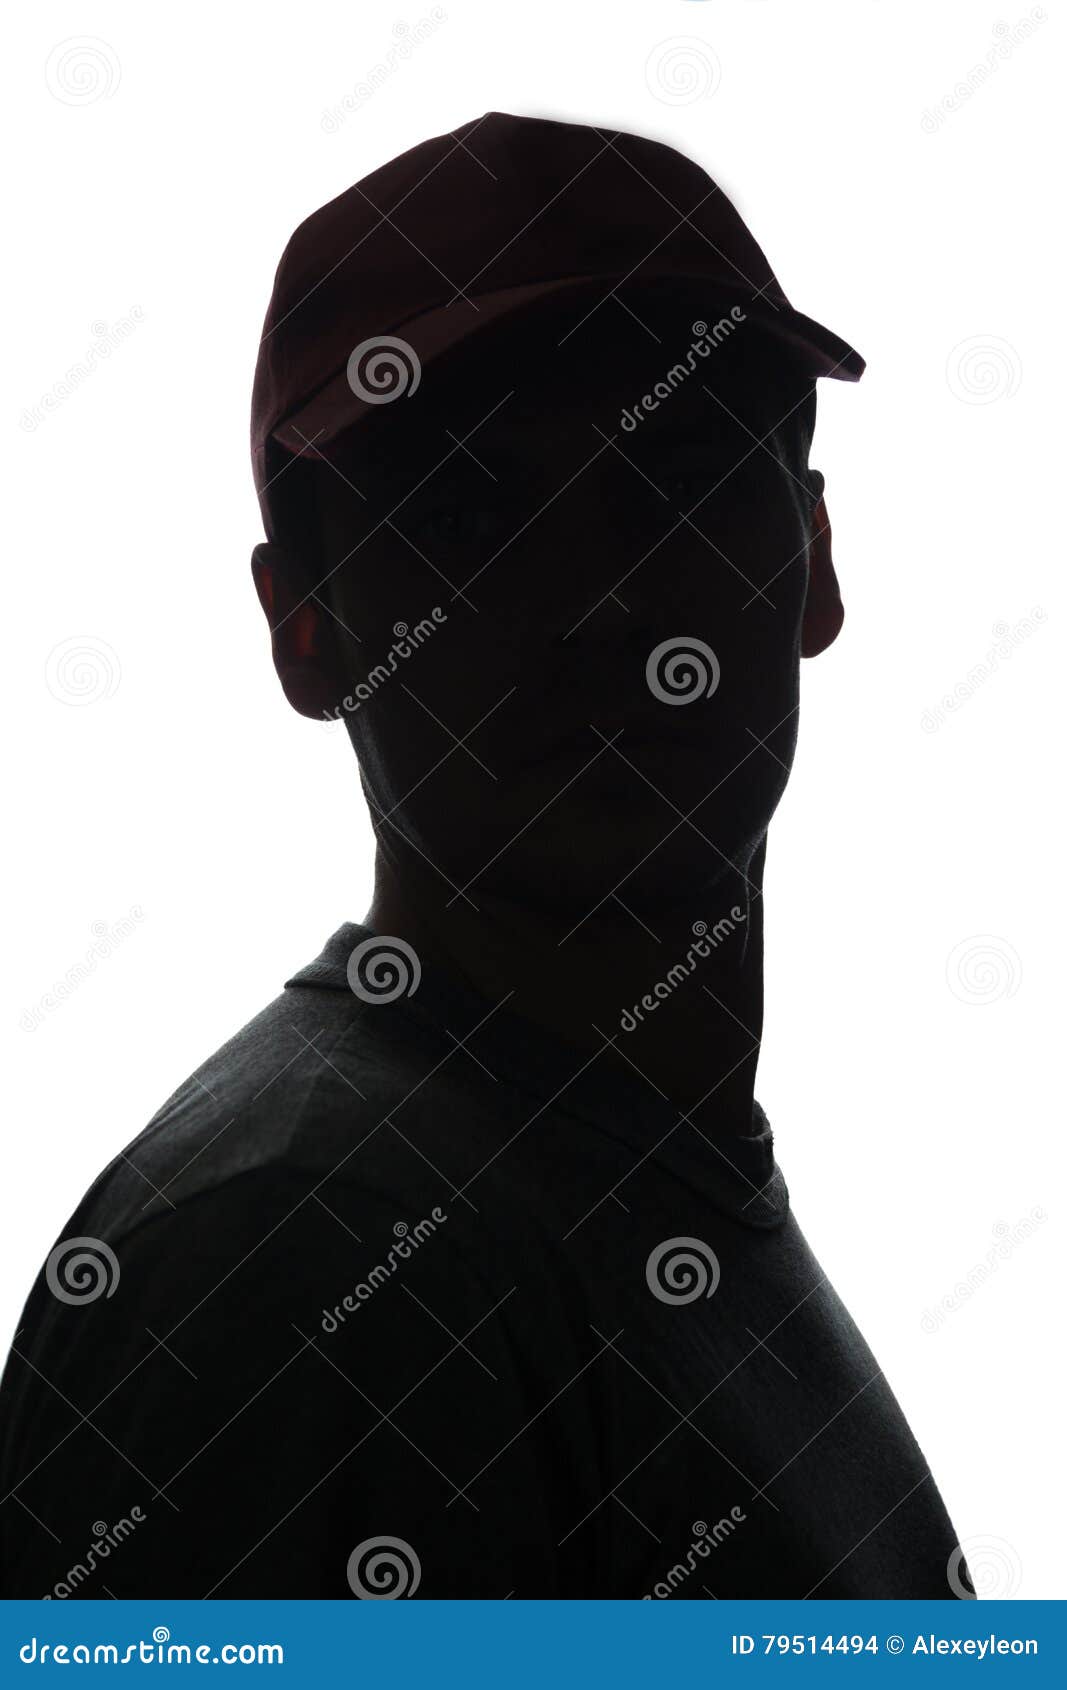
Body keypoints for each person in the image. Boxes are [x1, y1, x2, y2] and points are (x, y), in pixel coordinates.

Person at [0, 112, 969, 1599]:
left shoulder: (624, 1177)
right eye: (468, 514)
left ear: (817, 560)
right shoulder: (316, 1251)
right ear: (303, 627)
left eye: (684, 472)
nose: (604, 595)